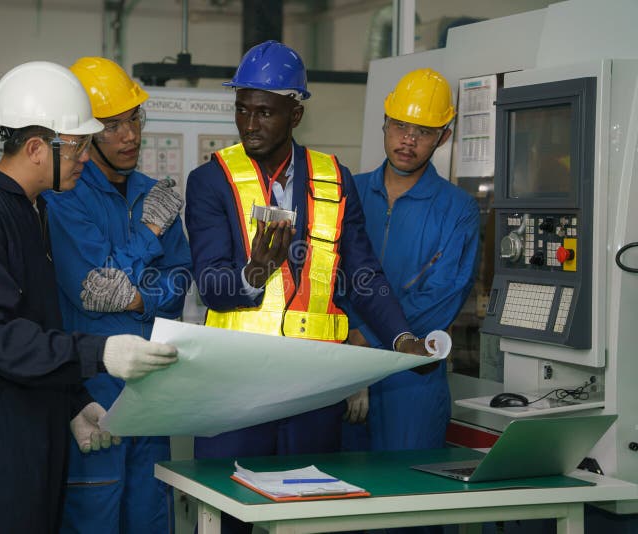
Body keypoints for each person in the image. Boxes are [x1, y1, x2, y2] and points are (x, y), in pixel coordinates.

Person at [184, 41, 432, 534]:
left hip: (312, 396)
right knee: (227, 520)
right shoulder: (210, 182)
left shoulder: (334, 179)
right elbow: (212, 285)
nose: (249, 124)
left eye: (265, 112)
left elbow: (362, 274)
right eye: (242, 109)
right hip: (234, 393)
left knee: (308, 523)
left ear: (295, 113)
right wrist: (255, 271)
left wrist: (402, 337)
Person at [0, 61, 179, 534]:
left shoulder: (31, 211)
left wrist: (73, 402)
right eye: (81, 144)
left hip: (31, 419)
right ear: (37, 149)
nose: (88, 158)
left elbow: (42, 323)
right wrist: (100, 351)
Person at [42, 57, 192, 534]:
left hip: (153, 388)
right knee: (95, 517)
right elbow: (92, 292)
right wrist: (149, 230)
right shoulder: (62, 196)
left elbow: (181, 277)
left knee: (152, 515)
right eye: (111, 125)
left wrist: (139, 297)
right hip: (95, 391)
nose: (129, 135)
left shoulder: (154, 190)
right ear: (85, 133)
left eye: (134, 120)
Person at [341, 68, 479, 455]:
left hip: (411, 379)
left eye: (424, 131)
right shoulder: (345, 190)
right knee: (331, 500)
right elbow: (323, 276)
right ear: (384, 123)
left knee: (411, 504)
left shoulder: (457, 209)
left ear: (443, 137)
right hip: (338, 370)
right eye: (400, 125)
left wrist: (362, 343)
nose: (408, 139)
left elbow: (441, 297)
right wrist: (346, 352)